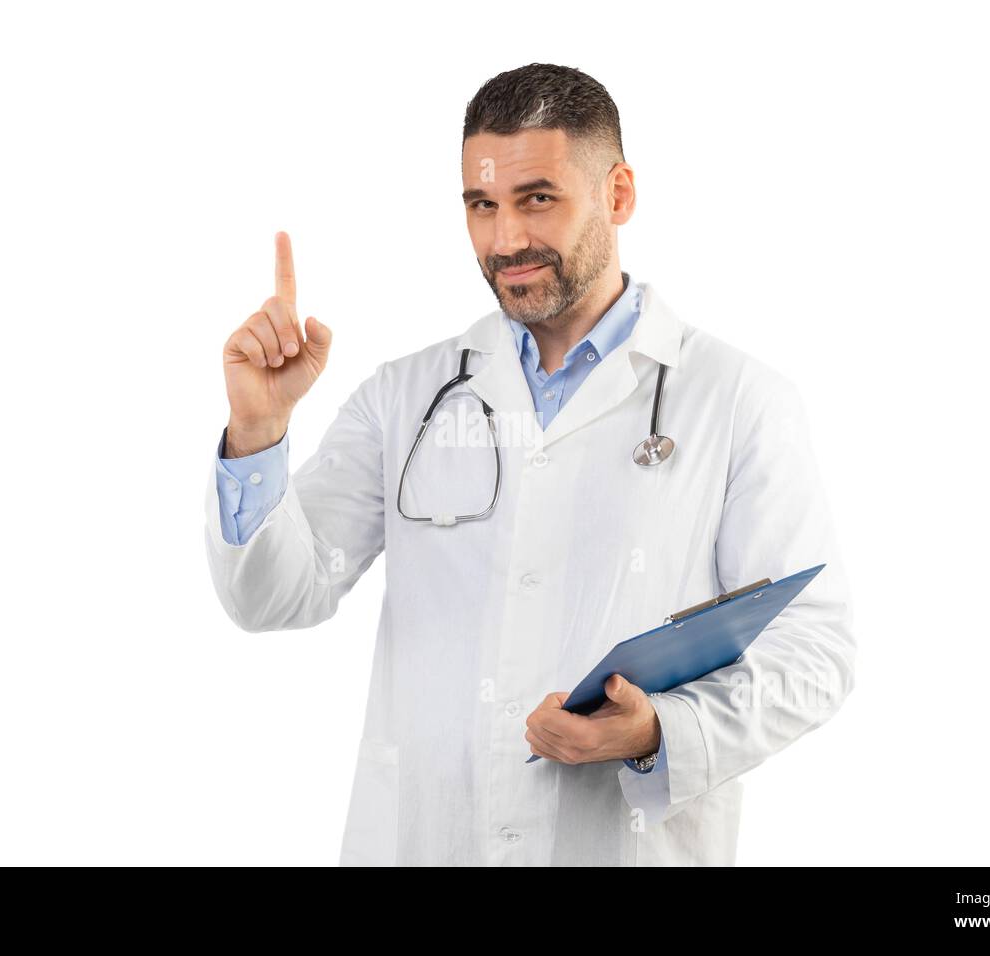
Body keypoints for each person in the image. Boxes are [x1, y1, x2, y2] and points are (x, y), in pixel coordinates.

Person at [203, 63, 856, 866]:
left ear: (617, 195)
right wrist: (258, 430)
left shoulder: (738, 399)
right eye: (483, 206)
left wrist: (661, 730)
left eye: (536, 198)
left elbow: (814, 653)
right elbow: (271, 596)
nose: (505, 240)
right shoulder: (405, 397)